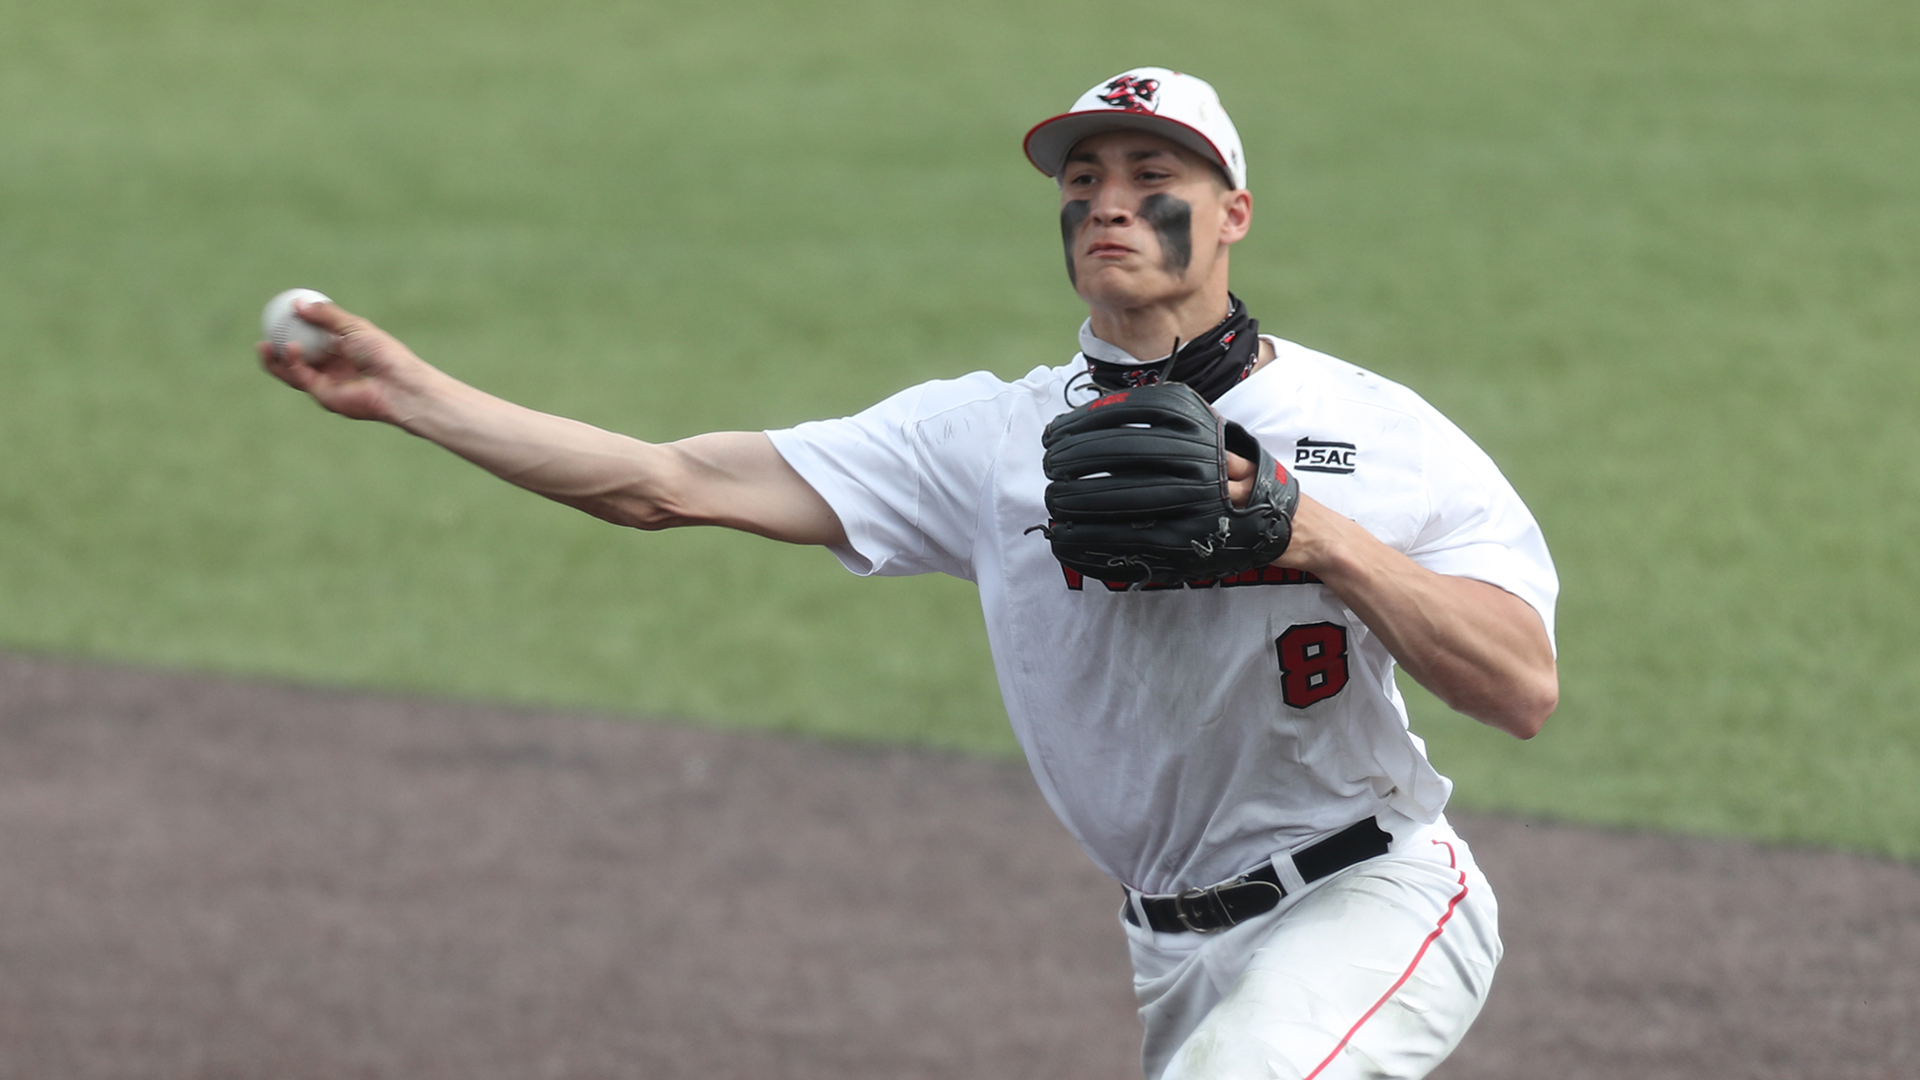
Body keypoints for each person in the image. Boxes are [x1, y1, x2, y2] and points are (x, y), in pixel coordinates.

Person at [261, 67, 1557, 1080]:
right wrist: (411, 395)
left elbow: (1520, 686)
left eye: (1151, 172)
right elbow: (665, 484)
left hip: (1375, 898)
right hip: (1171, 947)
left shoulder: (1375, 433)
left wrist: (1314, 537)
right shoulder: (986, 439)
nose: (1106, 198)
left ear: (1234, 216)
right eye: (1083, 177)